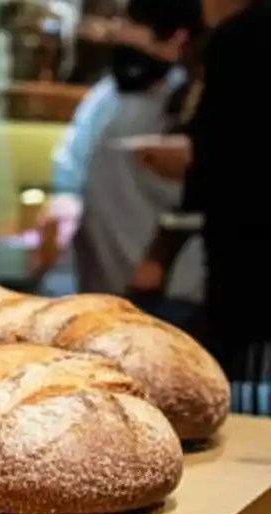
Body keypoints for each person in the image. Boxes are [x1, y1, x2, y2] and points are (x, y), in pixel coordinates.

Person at [130, 0, 271, 415]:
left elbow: (215, 166)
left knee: (250, 429)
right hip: (246, 280)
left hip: (252, 287)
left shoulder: (243, 39)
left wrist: (160, 253)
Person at [42, 0, 206, 331]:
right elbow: (70, 165)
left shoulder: (192, 98)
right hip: (101, 286)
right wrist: (63, 201)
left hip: (176, 292)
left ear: (177, 39)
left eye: (133, 27)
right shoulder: (107, 96)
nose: (121, 34)